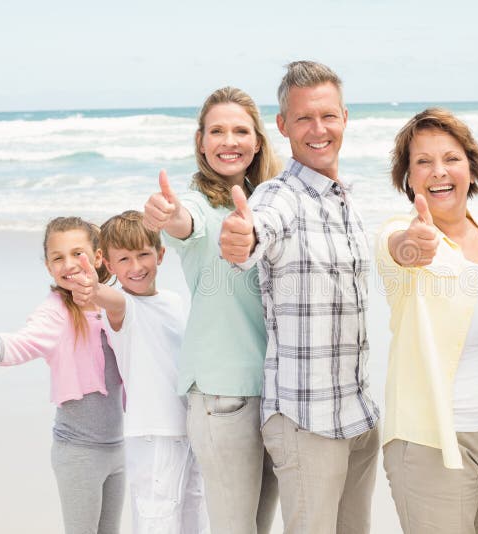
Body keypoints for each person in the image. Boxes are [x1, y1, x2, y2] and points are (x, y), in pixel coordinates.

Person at [219, 60, 381, 534]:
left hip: (359, 414)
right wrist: (242, 238)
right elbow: (257, 230)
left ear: (345, 118)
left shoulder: (344, 197)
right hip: (307, 421)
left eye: (328, 116)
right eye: (304, 118)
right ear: (283, 126)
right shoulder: (279, 195)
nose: (318, 129)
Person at [376, 108, 478, 534]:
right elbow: (398, 250)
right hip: (432, 444)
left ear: (471, 167)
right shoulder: (398, 231)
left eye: (451, 158)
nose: (438, 171)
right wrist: (412, 245)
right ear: (408, 178)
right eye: (423, 162)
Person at [142, 86, 280, 534]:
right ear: (200, 141)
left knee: (259, 524)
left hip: (279, 391)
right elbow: (185, 223)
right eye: (217, 131)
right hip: (223, 394)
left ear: (258, 140)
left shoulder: (275, 202)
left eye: (240, 130)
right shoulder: (199, 204)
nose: (229, 141)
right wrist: (169, 214)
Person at [0, 216, 125, 534]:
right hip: (79, 451)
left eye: (77, 253)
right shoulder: (54, 313)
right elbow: (24, 342)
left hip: (118, 447)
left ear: (97, 257)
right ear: (48, 266)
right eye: (58, 257)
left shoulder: (112, 305)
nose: (68, 264)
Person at [68, 210, 209, 534]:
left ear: (160, 254)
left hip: (188, 429)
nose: (136, 267)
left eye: (143, 254)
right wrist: (90, 286)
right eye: (124, 259)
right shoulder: (123, 307)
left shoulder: (173, 300)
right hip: (152, 431)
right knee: (156, 519)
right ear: (109, 264)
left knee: (194, 514)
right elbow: (108, 298)